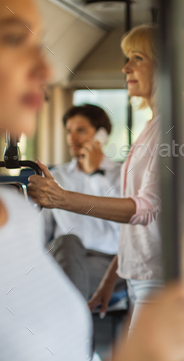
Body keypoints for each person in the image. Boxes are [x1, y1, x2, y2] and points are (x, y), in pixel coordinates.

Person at [0, 1, 184, 361]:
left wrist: (63, 198)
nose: (126, 68)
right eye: (126, 58)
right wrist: (110, 278)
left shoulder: (178, 125)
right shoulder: (156, 127)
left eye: (137, 58)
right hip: (144, 272)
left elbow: (145, 211)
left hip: (166, 274)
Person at [44, 104, 123, 300]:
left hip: (106, 261)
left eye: (81, 131)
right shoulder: (56, 176)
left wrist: (95, 174)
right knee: (67, 242)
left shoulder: (121, 175)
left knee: (59, 283)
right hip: (62, 255)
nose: (72, 138)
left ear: (101, 135)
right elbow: (43, 231)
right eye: (69, 131)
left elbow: (124, 223)